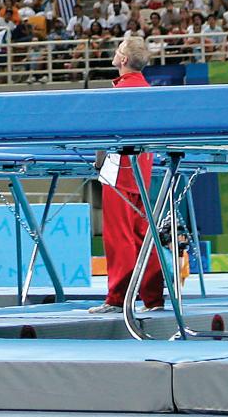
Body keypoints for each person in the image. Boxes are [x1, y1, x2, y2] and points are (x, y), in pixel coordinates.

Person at [89, 36, 164, 315]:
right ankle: (153, 297)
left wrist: (99, 161)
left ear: (122, 60)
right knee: (143, 235)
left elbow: (103, 131)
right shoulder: (148, 90)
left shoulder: (119, 93)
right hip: (141, 171)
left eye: (118, 49)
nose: (115, 52)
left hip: (119, 171)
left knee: (118, 236)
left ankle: (117, 297)